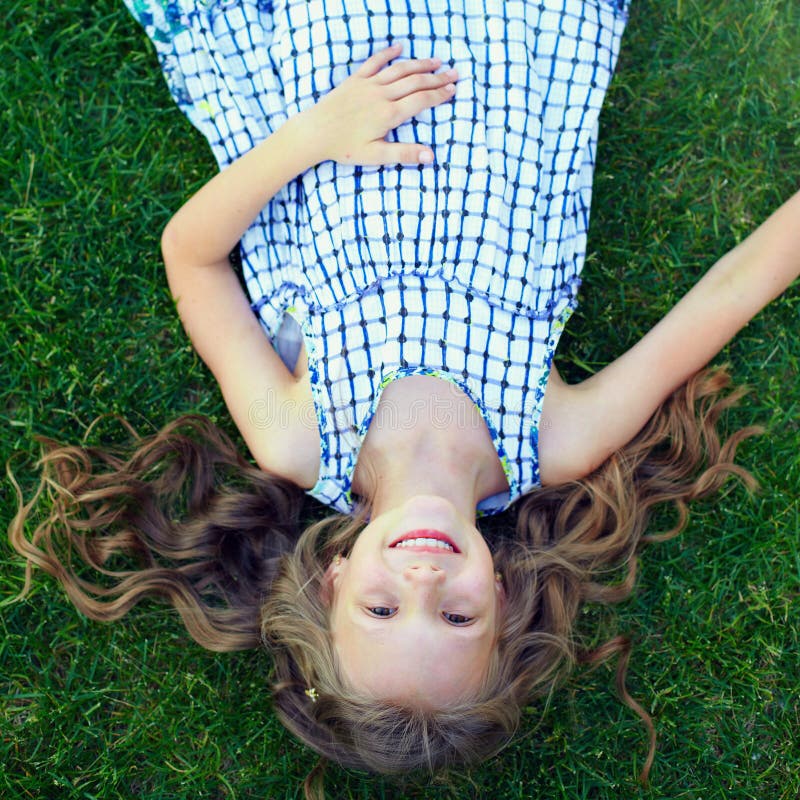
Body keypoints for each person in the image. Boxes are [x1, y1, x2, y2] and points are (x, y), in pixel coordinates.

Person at [8, 0, 799, 793]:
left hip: (340, 59)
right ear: (501, 594)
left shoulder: (298, 441)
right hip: (509, 43)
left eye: (381, 611)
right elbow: (726, 296)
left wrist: (314, 136)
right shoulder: (553, 439)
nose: (422, 586)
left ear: (335, 580)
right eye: (456, 618)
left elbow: (191, 258)